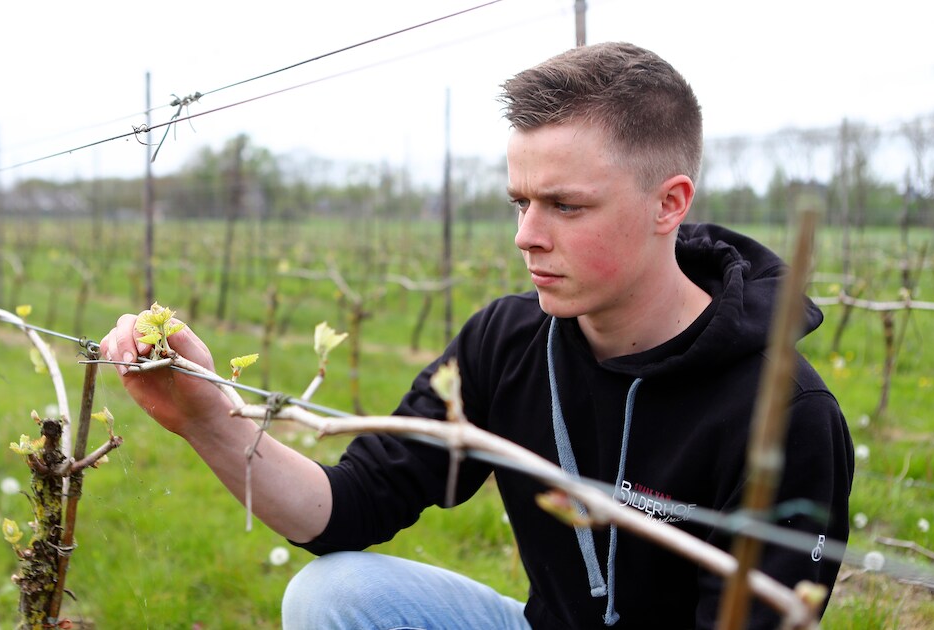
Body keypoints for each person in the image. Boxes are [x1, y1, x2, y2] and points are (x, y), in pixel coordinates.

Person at [99, 41, 854, 629]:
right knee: (334, 594)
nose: (527, 235)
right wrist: (210, 419)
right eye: (520, 202)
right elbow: (347, 507)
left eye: (565, 205)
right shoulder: (508, 339)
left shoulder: (783, 417)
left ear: (669, 204)